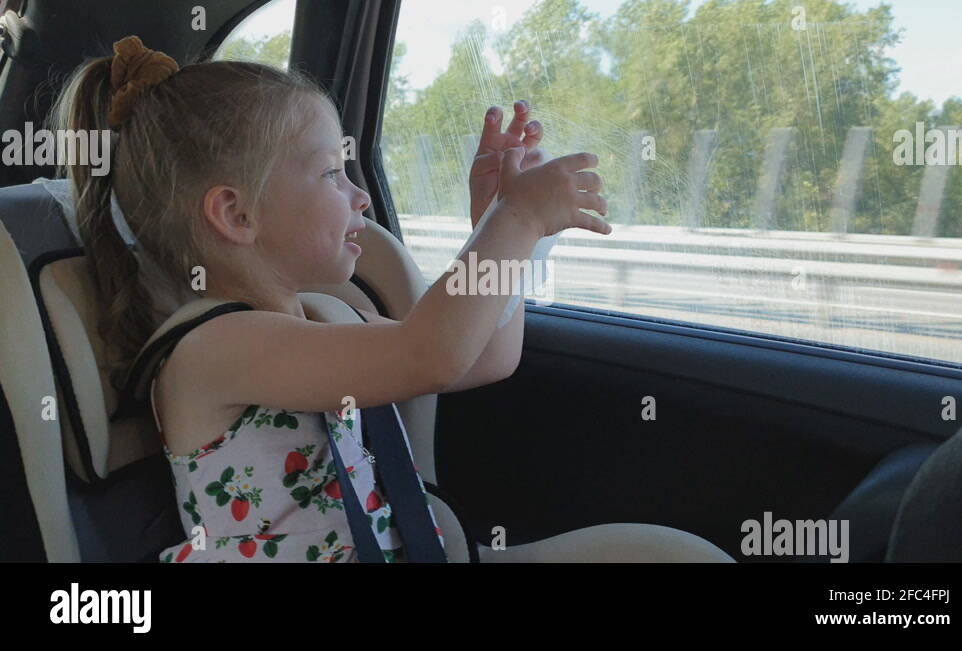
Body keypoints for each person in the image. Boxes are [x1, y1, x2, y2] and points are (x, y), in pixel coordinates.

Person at [49, 35, 612, 562]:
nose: (361, 195)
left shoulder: (325, 316)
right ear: (236, 215)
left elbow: (485, 358)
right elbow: (434, 354)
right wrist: (516, 218)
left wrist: (501, 224)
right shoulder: (218, 346)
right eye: (331, 174)